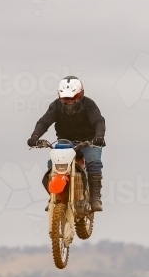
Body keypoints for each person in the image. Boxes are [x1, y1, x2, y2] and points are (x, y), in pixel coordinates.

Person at [27, 76, 105, 211]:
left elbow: (98, 121)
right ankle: (55, 197)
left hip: (89, 141)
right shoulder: (56, 106)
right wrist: (35, 136)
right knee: (53, 165)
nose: (69, 102)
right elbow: (44, 122)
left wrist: (99, 136)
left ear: (80, 95)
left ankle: (95, 198)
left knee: (94, 162)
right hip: (65, 142)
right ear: (59, 96)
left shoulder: (89, 105)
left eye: (73, 98)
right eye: (65, 99)